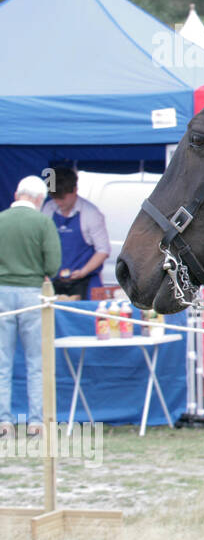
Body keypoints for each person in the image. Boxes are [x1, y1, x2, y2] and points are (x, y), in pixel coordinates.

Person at [0, 176, 62, 438]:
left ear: (16, 194)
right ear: (39, 200)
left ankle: (3, 421)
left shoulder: (1, 220)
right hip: (33, 295)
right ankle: (36, 422)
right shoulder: (43, 222)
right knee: (36, 362)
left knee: (2, 362)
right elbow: (52, 265)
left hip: (2, 293)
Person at [42, 167, 110, 299]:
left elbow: (103, 250)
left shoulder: (91, 214)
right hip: (54, 281)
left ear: (74, 190)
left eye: (62, 198)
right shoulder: (48, 209)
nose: (58, 202)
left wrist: (83, 272)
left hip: (84, 281)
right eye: (55, 198)